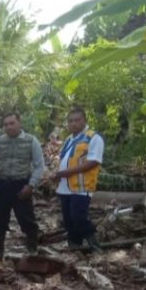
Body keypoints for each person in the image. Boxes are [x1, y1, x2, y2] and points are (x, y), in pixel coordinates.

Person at [0, 112, 44, 260]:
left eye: (12, 123)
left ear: (19, 123)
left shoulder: (31, 141)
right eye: (6, 124)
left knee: (27, 219)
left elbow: (39, 166)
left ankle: (32, 250)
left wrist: (31, 185)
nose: (9, 127)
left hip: (22, 185)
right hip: (1, 185)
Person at [51, 107, 104, 252]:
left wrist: (65, 172)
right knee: (68, 221)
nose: (73, 124)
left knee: (79, 218)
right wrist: (58, 175)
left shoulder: (93, 138)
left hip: (82, 187)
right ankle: (75, 247)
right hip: (65, 187)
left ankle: (95, 246)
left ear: (84, 120)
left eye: (77, 120)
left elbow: (93, 162)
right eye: (70, 121)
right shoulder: (69, 139)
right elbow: (66, 160)